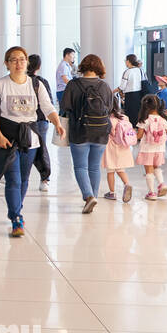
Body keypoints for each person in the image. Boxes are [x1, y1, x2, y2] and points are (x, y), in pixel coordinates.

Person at [0, 46, 63, 236]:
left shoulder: (36, 85)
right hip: (8, 137)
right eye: (13, 60)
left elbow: (48, 107)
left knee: (24, 179)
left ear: (27, 62)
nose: (18, 63)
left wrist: (57, 123)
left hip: (30, 138)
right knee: (13, 179)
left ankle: (16, 209)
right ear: (6, 63)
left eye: (22, 59)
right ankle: (16, 217)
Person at [59, 53, 113, 214]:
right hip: (101, 130)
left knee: (81, 166)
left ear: (83, 66)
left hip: (80, 130)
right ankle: (93, 196)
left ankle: (89, 197)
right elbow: (109, 108)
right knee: (94, 167)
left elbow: (65, 107)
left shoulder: (73, 85)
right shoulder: (104, 86)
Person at [136, 95, 167, 200]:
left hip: (147, 149)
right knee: (156, 167)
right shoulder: (163, 119)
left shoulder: (144, 120)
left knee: (149, 171)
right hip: (160, 149)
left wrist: (130, 136)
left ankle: (151, 193)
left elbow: (139, 136)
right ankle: (162, 184)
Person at [27, 54, 55, 192]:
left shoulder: (20, 80)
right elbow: (49, 102)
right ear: (39, 66)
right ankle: (44, 180)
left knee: (18, 148)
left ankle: (9, 174)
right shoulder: (41, 81)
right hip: (40, 120)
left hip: (22, 122)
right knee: (42, 149)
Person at [102, 100, 137, 203]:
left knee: (110, 171)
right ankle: (127, 184)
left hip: (110, 146)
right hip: (123, 146)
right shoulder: (124, 117)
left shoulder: (107, 119)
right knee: (121, 169)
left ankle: (112, 193)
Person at [117, 53, 145, 125]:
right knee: (137, 113)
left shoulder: (127, 71)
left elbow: (122, 87)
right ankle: (137, 130)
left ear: (128, 61)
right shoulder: (140, 70)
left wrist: (112, 91)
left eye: (125, 60)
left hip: (130, 96)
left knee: (130, 114)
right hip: (139, 94)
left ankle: (130, 131)